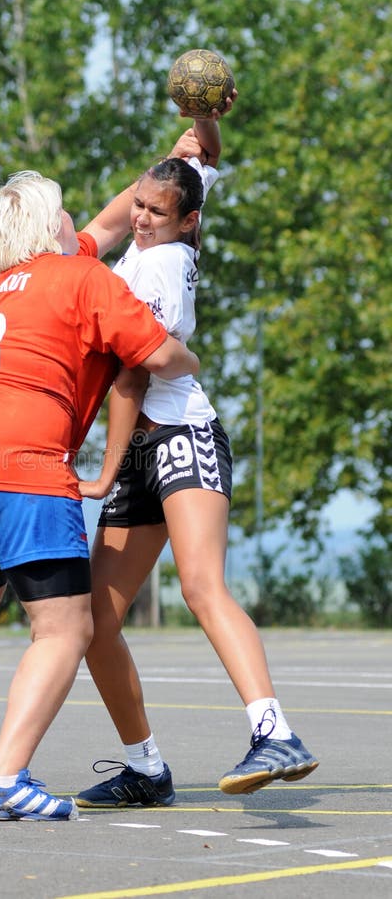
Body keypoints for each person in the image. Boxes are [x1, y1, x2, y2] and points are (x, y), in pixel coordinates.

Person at [0, 153, 204, 822]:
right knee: (65, 628)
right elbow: (157, 356)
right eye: (61, 209)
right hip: (22, 460)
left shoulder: (7, 280)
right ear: (45, 226)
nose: (75, 217)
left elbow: (111, 224)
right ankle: (3, 780)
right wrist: (192, 356)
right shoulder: (84, 278)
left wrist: (177, 157)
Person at [75, 112, 319, 808]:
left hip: (182, 434)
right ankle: (146, 768)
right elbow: (201, 160)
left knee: (202, 585)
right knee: (94, 621)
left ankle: (274, 732)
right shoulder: (163, 221)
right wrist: (203, 118)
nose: (141, 218)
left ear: (187, 222)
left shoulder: (159, 265)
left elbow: (133, 376)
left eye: (155, 212)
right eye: (139, 206)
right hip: (141, 448)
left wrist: (104, 472)